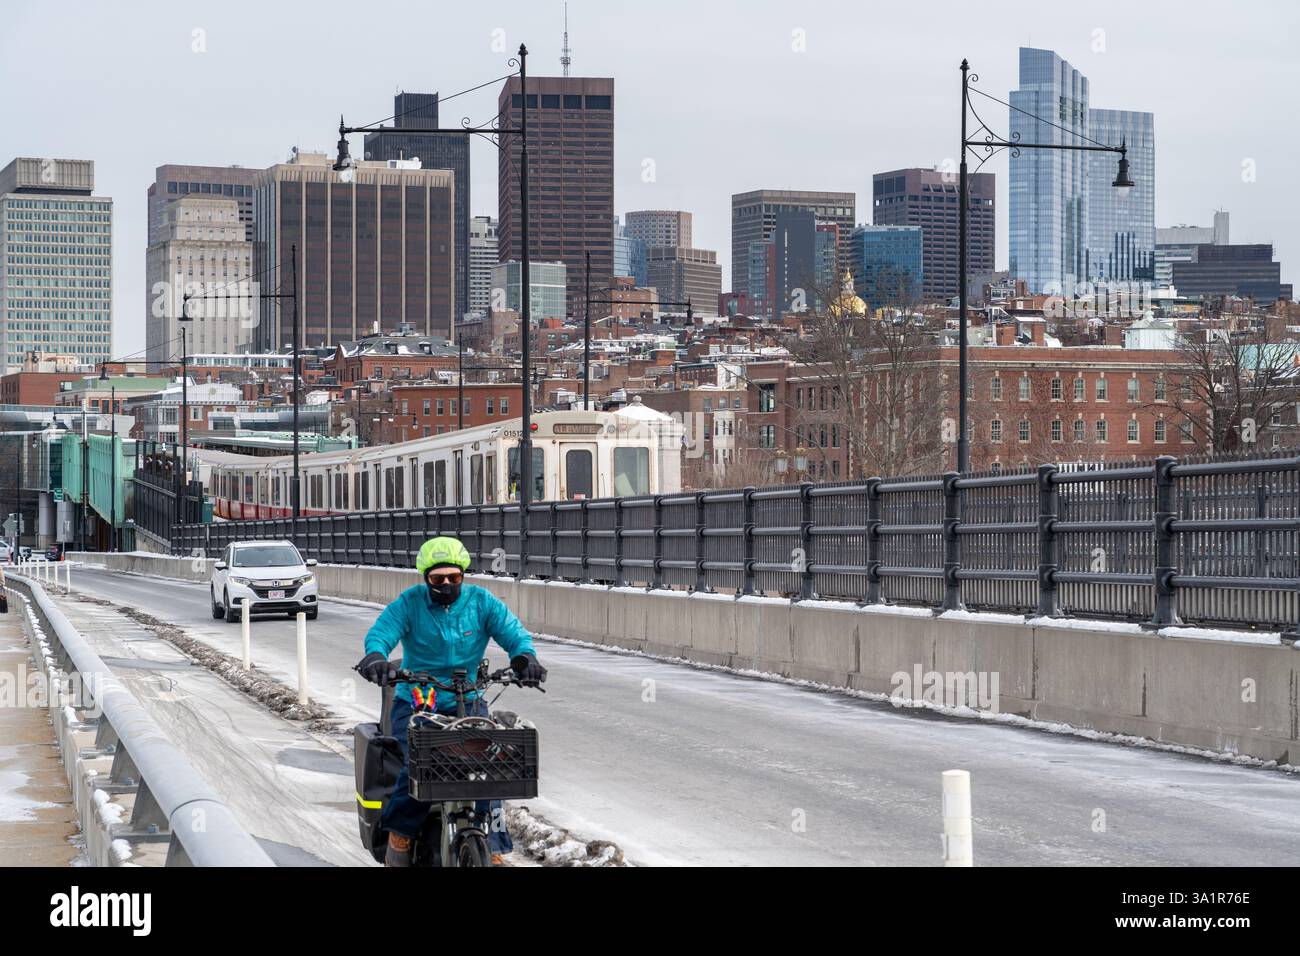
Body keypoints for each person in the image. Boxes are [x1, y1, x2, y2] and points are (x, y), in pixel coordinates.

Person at [356, 536, 547, 867]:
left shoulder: (481, 602)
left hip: (469, 699)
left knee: (488, 769)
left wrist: (525, 658)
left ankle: (491, 845)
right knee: (419, 765)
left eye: (454, 577)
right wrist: (376, 656)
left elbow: (513, 633)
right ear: (425, 578)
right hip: (418, 700)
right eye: (438, 579)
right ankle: (400, 835)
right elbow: (382, 633)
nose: (446, 584)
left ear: (463, 575)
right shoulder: (410, 603)